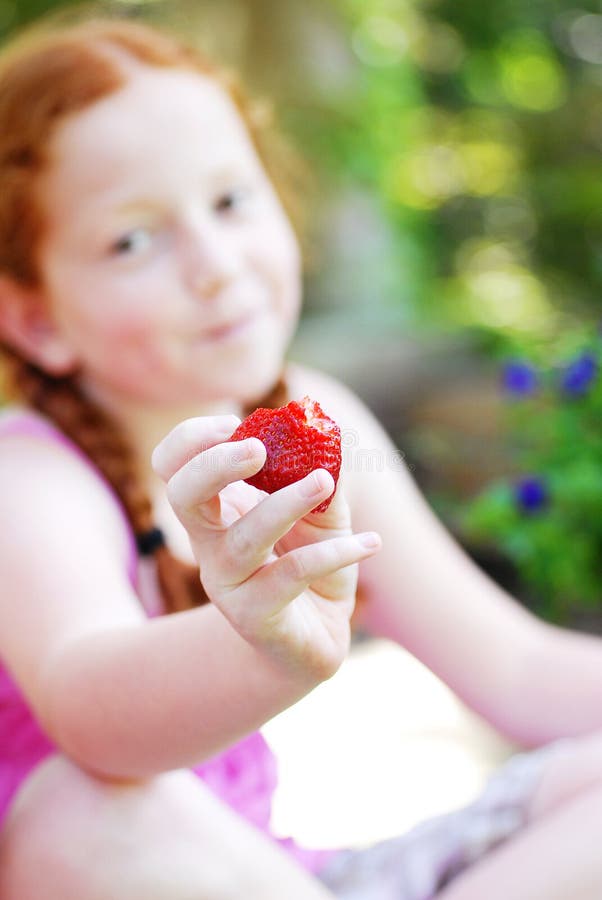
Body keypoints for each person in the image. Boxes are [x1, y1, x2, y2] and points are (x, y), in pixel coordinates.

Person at [1, 11, 602, 900]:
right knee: (84, 817)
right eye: (133, 239)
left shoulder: (318, 419)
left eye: (231, 200)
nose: (214, 265)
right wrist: (259, 646)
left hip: (297, 883)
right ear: (38, 320)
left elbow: (514, 670)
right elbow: (92, 716)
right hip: (148, 871)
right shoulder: (33, 478)